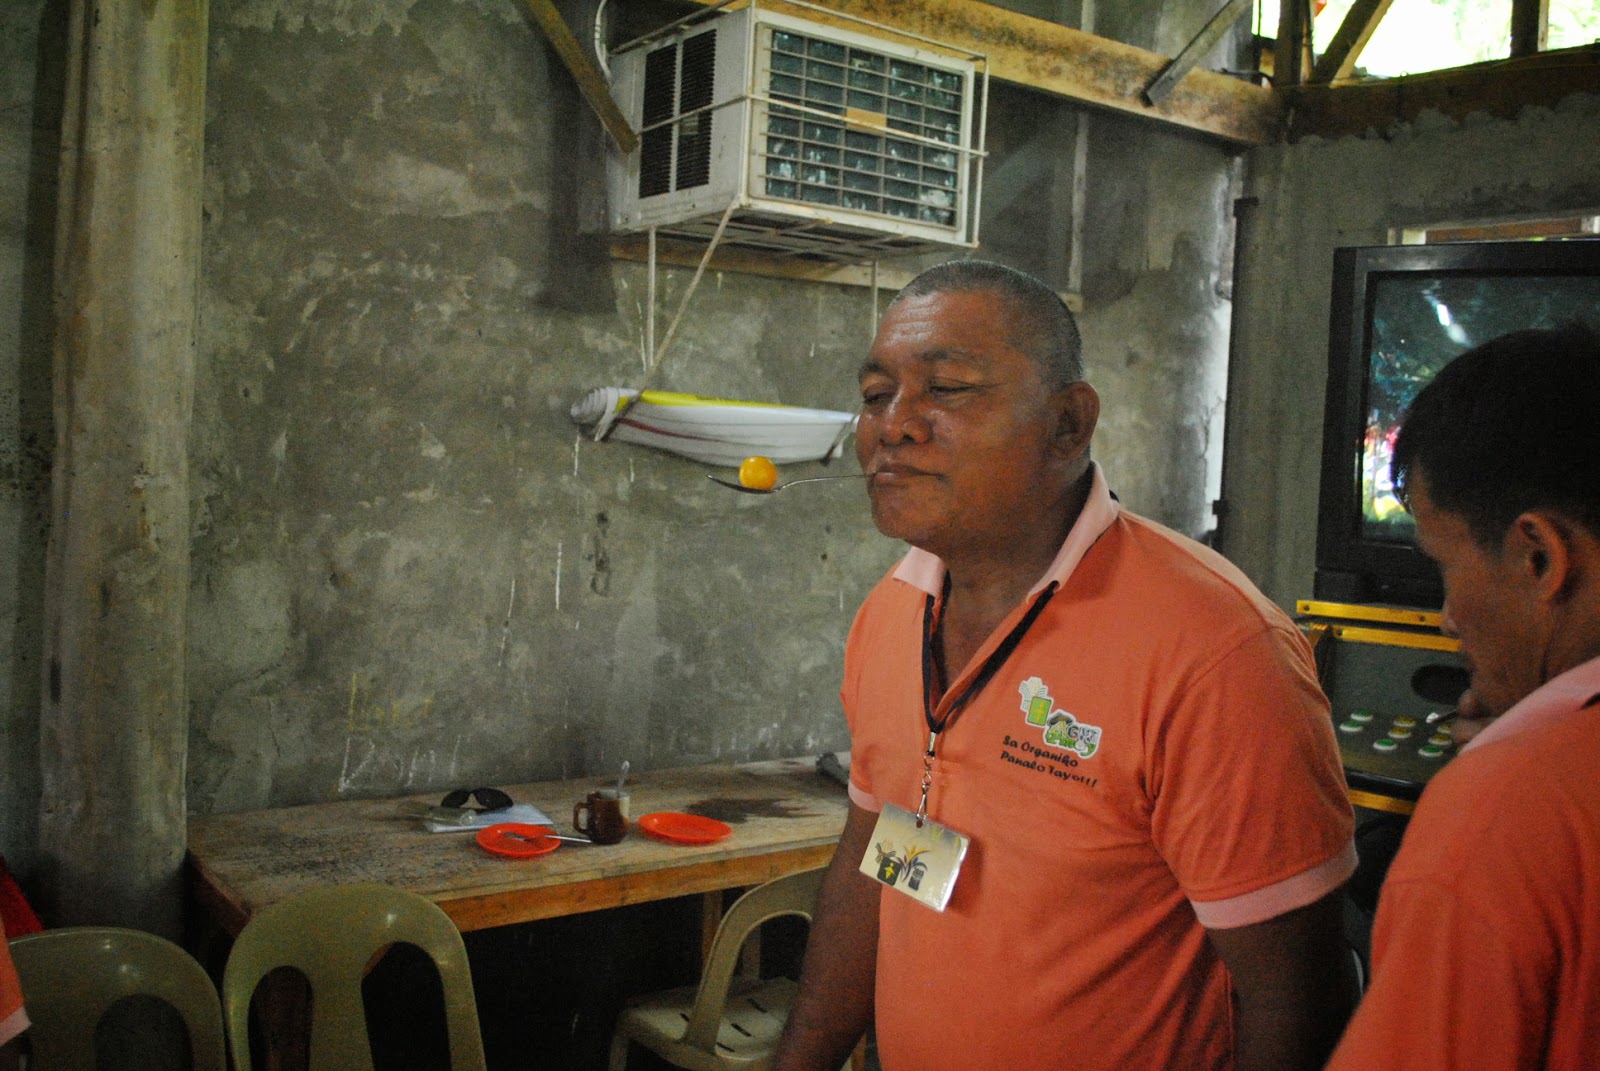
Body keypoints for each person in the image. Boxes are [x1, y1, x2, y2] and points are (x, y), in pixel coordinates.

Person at [774, 260, 1357, 1071]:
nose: (894, 425)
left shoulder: (1213, 651)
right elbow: (882, 863)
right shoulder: (894, 614)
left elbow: (1301, 997)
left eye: (945, 388)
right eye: (877, 394)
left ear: (1068, 424)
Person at [1326, 322, 1600, 1071]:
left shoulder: (1505, 817)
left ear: (1539, 555)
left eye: (1444, 565)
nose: (1446, 617)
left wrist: (1512, 778)